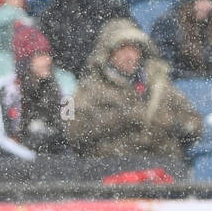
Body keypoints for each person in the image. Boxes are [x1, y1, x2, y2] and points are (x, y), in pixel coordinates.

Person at [67, 19, 202, 160]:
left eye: (135, 49)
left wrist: (179, 127)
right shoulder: (90, 87)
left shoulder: (160, 84)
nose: (130, 56)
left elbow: (192, 120)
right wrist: (120, 119)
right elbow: (72, 130)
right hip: (112, 166)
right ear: (108, 53)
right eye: (123, 49)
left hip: (161, 164)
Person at [0, 25, 74, 161]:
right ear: (25, 61)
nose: (48, 60)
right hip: (8, 165)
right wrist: (33, 159)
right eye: (40, 55)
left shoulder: (62, 87)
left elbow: (70, 127)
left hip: (52, 164)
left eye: (48, 54)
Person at [37, 0, 131, 76]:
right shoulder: (49, 18)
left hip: (109, 75)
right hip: (70, 80)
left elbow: (129, 35)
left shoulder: (108, 6)